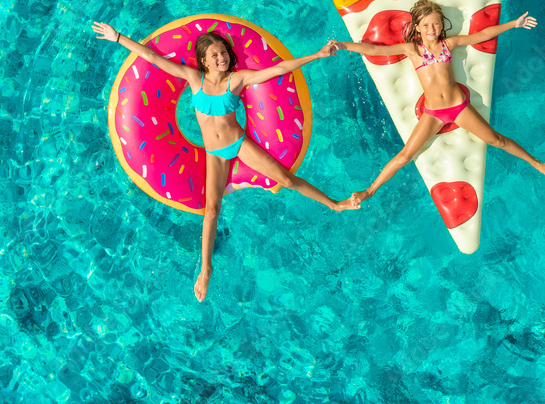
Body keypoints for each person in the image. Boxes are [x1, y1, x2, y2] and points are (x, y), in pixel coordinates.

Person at [92, 22, 358, 302]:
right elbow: (153, 58)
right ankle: (206, 269)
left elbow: (277, 69)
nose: (222, 58)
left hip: (239, 144)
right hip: (214, 154)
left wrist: (316, 56)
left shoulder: (237, 79)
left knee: (287, 180)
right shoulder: (194, 79)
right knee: (212, 210)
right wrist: (118, 38)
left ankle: (335, 204)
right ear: (204, 61)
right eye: (215, 55)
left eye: (224, 52)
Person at [329, 0, 545, 207]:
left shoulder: (449, 44)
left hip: (459, 108)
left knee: (496, 140)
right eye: (426, 25)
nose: (431, 29)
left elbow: (483, 34)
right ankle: (369, 191)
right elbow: (375, 50)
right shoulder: (413, 50)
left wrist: (513, 24)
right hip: (433, 113)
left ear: (442, 25)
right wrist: (344, 45)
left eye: (436, 24)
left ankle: (536, 163)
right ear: (417, 27)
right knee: (404, 156)